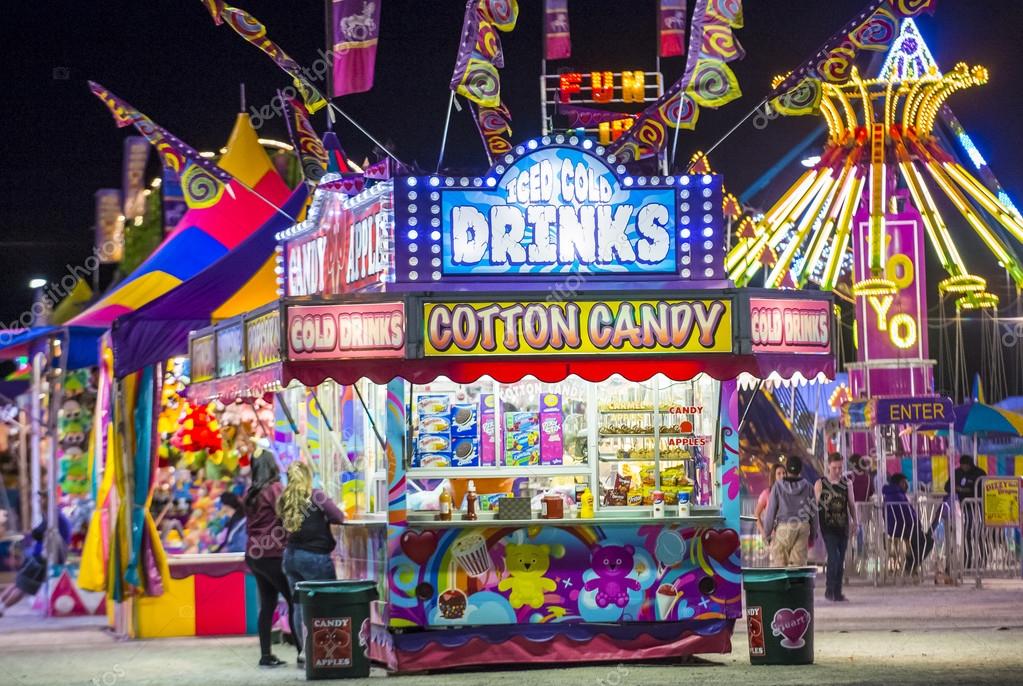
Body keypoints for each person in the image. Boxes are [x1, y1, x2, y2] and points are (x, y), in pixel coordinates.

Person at [279, 461, 345, 664]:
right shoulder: (316, 495)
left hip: (290, 557)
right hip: (314, 557)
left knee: (300, 605)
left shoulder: (284, 499)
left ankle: (305, 651)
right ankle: (327, 650)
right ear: (308, 476)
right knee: (327, 604)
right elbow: (338, 517)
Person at [244, 451, 295, 668]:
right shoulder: (275, 489)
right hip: (271, 553)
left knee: (267, 604)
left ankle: (266, 655)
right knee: (294, 601)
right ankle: (304, 651)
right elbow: (287, 515)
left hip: (254, 555)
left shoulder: (251, 493)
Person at [0, 495, 71, 618]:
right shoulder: (56, 515)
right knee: (22, 585)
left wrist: (32, 533)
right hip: (42, 556)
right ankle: (2, 607)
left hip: (41, 555)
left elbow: (37, 533)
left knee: (21, 584)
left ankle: (2, 606)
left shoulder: (52, 517)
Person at [763, 456, 818, 567]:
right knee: (797, 566)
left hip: (784, 528)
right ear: (800, 469)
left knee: (780, 565)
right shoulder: (808, 487)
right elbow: (814, 513)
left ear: (787, 469)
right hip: (803, 527)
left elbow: (770, 512)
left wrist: (767, 534)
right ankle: (796, 584)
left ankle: (782, 584)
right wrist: (813, 533)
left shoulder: (778, 486)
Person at [816, 453, 856, 601]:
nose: (838, 471)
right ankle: (830, 589)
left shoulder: (847, 484)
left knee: (840, 559)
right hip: (828, 527)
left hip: (843, 526)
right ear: (828, 466)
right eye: (834, 468)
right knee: (834, 557)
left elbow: (851, 504)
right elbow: (815, 506)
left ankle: (837, 591)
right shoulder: (820, 484)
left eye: (840, 467)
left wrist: (854, 521)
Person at [882, 473, 934, 575]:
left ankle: (910, 563)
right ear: (899, 483)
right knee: (927, 541)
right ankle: (910, 564)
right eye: (904, 482)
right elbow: (908, 515)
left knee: (920, 539)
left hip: (894, 528)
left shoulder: (890, 494)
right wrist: (917, 525)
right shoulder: (898, 496)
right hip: (902, 528)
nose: (907, 485)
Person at [945, 455, 987, 570]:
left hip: (978, 507)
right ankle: (967, 560)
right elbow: (947, 486)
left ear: (970, 464)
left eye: (966, 465)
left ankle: (982, 560)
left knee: (979, 534)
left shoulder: (979, 473)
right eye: (962, 465)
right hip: (965, 508)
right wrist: (957, 488)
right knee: (967, 535)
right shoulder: (957, 473)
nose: (964, 467)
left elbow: (983, 488)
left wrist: (970, 490)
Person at [755, 463, 787, 540]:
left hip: (788, 535)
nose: (782, 476)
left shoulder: (789, 493)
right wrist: (764, 533)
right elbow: (756, 515)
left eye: (784, 473)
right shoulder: (766, 493)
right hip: (773, 537)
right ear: (774, 476)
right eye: (779, 474)